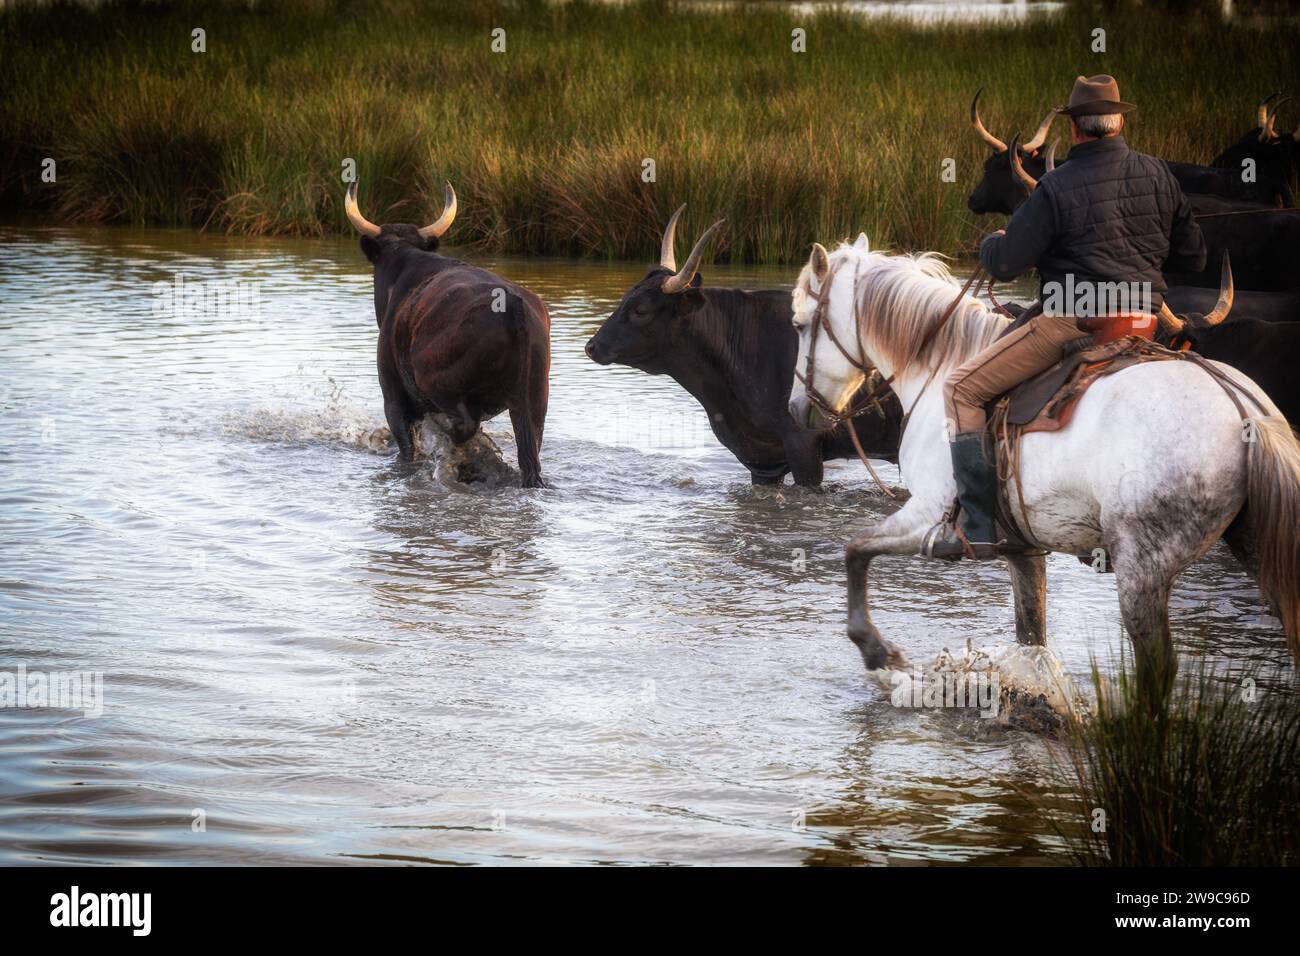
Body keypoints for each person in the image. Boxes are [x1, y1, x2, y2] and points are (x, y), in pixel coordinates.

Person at [930, 74, 1207, 560]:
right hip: (1146, 322)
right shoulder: (1160, 175)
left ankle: (977, 525)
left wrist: (991, 242)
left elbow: (1007, 262)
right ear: (1118, 122)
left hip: (1074, 321)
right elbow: (1194, 261)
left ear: (1076, 129)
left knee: (962, 389)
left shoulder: (1056, 186)